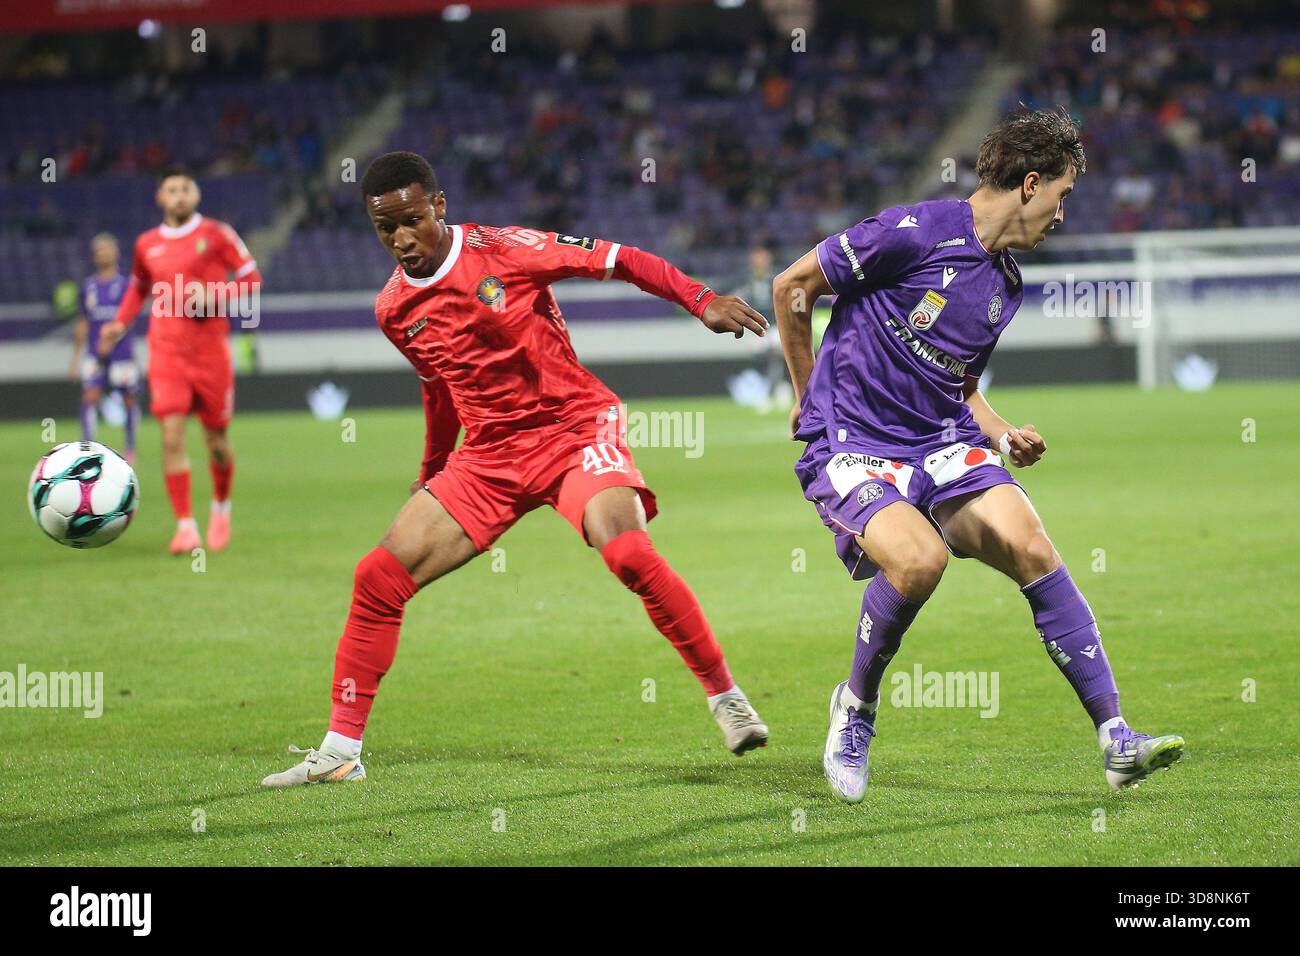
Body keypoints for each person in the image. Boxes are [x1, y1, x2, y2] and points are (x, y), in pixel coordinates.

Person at [262, 151, 770, 786]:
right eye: (384, 228)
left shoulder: (506, 249)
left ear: (438, 208)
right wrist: (431, 470)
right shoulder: (393, 308)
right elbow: (439, 388)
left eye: (411, 220)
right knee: (377, 579)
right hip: (488, 457)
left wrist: (700, 300)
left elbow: (620, 259)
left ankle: (725, 697)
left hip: (573, 428)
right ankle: (340, 752)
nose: (400, 239)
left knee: (629, 554)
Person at [772, 108, 1184, 802]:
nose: (1063, 212)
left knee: (1032, 545)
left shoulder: (1005, 286)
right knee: (919, 562)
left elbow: (961, 386)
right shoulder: (914, 232)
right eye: (1064, 194)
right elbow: (792, 287)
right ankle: (856, 708)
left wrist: (999, 432)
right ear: (1030, 183)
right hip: (858, 442)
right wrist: (808, 392)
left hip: (940, 442)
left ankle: (1116, 738)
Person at [99, 166, 261, 554]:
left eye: (185, 188)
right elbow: (139, 287)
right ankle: (186, 526)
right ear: (160, 196)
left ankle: (220, 508)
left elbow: (251, 277)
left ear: (196, 194)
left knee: (216, 441)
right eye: (172, 190)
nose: (179, 196)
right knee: (171, 436)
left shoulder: (216, 234)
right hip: (167, 353)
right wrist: (119, 323)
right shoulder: (146, 244)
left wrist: (216, 295)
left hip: (210, 355)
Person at [71, 233, 140, 463]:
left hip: (122, 352)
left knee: (129, 397)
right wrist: (75, 358)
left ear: (116, 252)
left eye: (107, 249)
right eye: (99, 250)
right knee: (89, 395)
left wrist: (112, 339)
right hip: (94, 352)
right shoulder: (88, 286)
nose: (103, 253)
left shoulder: (125, 284)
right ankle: (87, 447)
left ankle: (130, 448)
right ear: (94, 256)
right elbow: (83, 322)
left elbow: (129, 317)